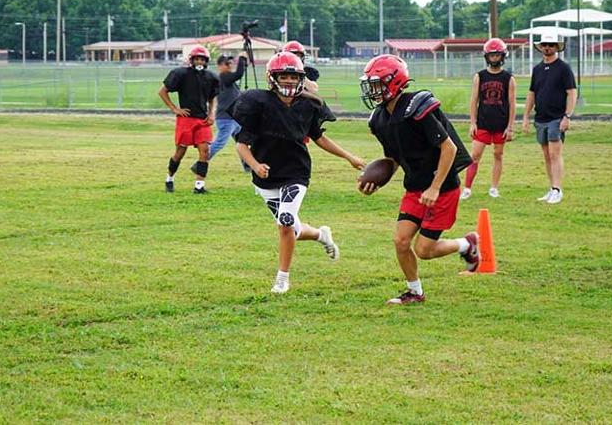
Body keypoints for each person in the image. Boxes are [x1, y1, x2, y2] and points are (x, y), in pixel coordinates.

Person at [231, 51, 366, 294]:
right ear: (272, 78)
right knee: (292, 228)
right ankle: (321, 235)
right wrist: (255, 165)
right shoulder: (258, 103)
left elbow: (319, 138)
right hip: (265, 179)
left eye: (294, 77)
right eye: (284, 76)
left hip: (296, 172)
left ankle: (282, 279)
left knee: (285, 223)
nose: (289, 81)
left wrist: (348, 157)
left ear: (301, 79)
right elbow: (241, 145)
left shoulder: (308, 104)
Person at [357, 54, 480, 305]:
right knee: (401, 241)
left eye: (377, 84)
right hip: (414, 187)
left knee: (424, 250)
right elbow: (393, 158)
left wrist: (435, 187)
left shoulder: (417, 108)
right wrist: (375, 180)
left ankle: (466, 245)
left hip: (442, 187)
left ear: (394, 82)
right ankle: (415, 292)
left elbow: (449, 148)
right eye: (370, 85)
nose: (372, 91)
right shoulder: (379, 120)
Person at [522, 33, 577, 204]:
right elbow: (532, 93)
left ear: (556, 47)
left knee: (555, 154)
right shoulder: (537, 69)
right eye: (545, 44)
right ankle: (552, 187)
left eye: (551, 45)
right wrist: (526, 117)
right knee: (547, 155)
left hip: (557, 118)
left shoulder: (564, 68)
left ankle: (557, 189)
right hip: (540, 118)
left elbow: (572, 93)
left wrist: (567, 116)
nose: (547, 48)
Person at [461, 38, 517, 200]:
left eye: (497, 55)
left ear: (503, 56)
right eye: (492, 55)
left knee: (498, 154)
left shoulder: (508, 78)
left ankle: (494, 188)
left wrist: (510, 127)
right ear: (486, 57)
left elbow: (512, 104)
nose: (494, 58)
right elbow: (474, 101)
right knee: (475, 156)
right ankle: (467, 188)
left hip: (501, 124)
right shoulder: (479, 76)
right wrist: (472, 123)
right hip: (483, 123)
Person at [158, 45, 219, 194]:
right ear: (191, 60)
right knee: (180, 152)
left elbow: (213, 98)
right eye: (197, 59)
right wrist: (175, 109)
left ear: (206, 61)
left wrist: (212, 114)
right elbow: (162, 91)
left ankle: (199, 186)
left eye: (202, 59)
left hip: (202, 120)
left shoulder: (211, 77)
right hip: (186, 119)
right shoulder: (181, 74)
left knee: (205, 151)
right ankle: (169, 178)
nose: (199, 62)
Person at [190, 52, 249, 174]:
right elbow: (239, 74)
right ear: (220, 66)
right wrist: (242, 59)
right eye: (227, 64)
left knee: (242, 142)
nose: (230, 66)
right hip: (227, 118)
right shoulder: (224, 77)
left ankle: (247, 165)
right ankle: (200, 164)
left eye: (231, 63)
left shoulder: (227, 80)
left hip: (234, 118)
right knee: (219, 143)